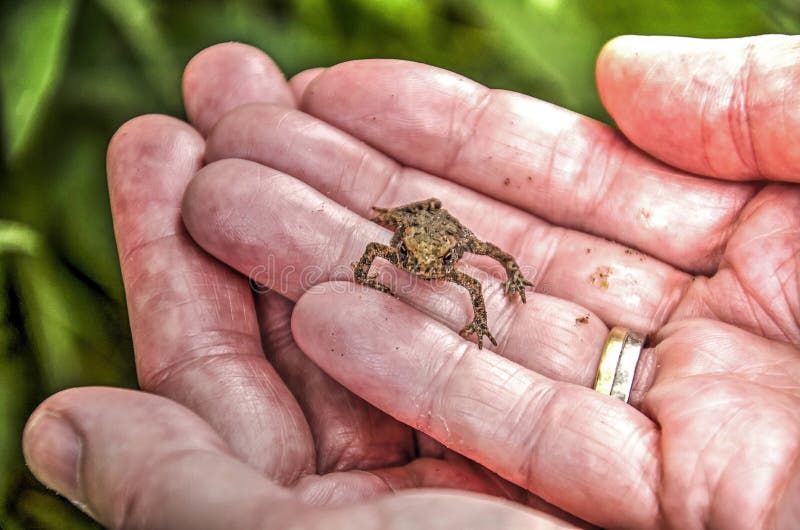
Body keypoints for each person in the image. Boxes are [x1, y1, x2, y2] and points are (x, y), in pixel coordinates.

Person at [22, 34, 800, 529]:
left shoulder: (452, 258)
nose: (424, 274)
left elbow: (479, 269)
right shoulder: (402, 248)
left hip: (447, 234)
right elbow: (377, 256)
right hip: (415, 226)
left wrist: (504, 297)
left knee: (475, 250)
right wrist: (374, 266)